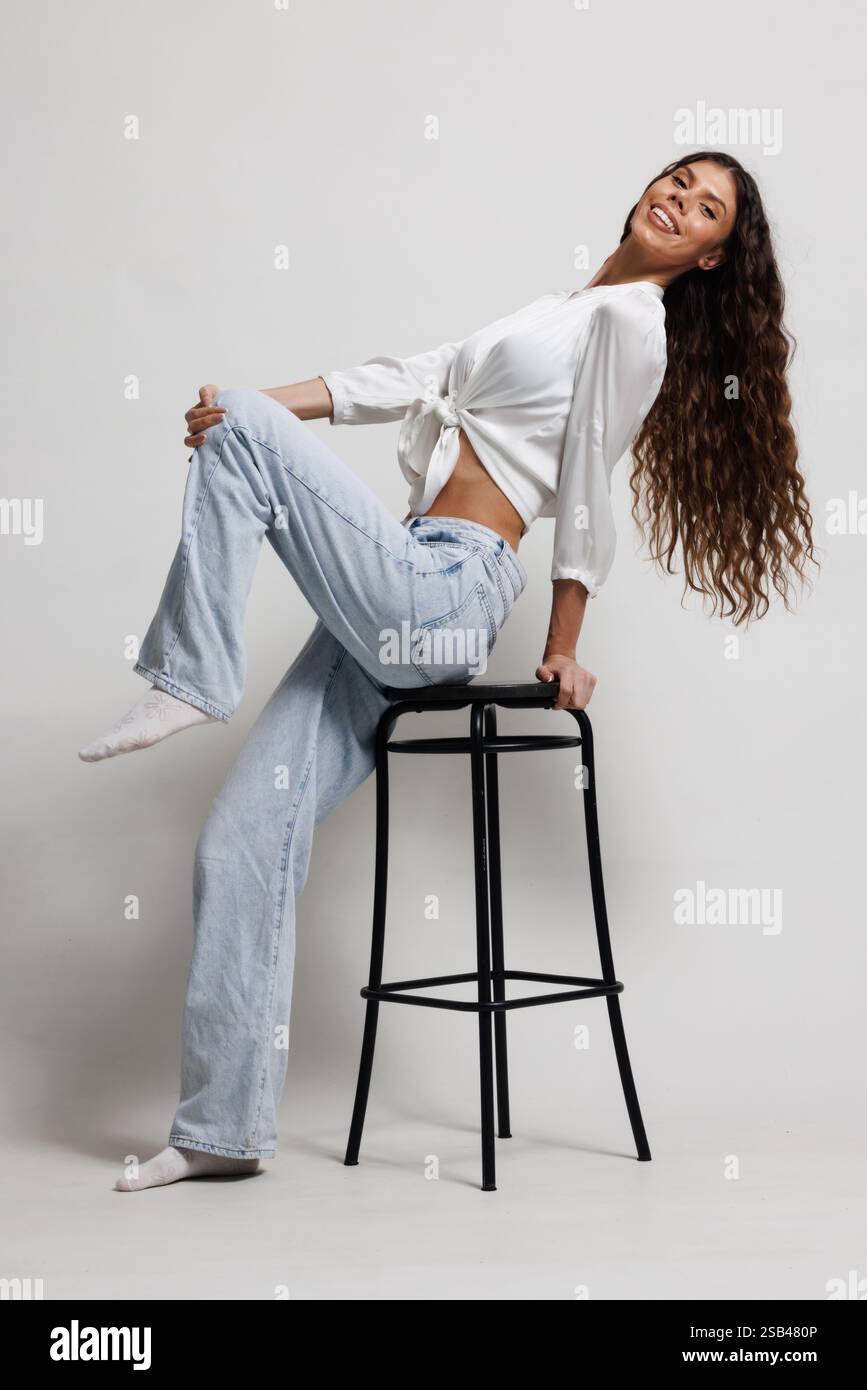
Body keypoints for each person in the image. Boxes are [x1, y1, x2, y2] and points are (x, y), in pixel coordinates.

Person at [80, 151, 816, 1191]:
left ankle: (189, 678)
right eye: (678, 180)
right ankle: (220, 1131)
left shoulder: (628, 324)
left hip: (448, 595)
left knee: (245, 430)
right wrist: (251, 402)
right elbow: (414, 374)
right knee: (244, 837)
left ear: (708, 256)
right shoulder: (571, 304)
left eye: (706, 209)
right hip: (401, 585)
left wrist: (565, 644)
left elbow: (590, 490)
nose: (679, 201)